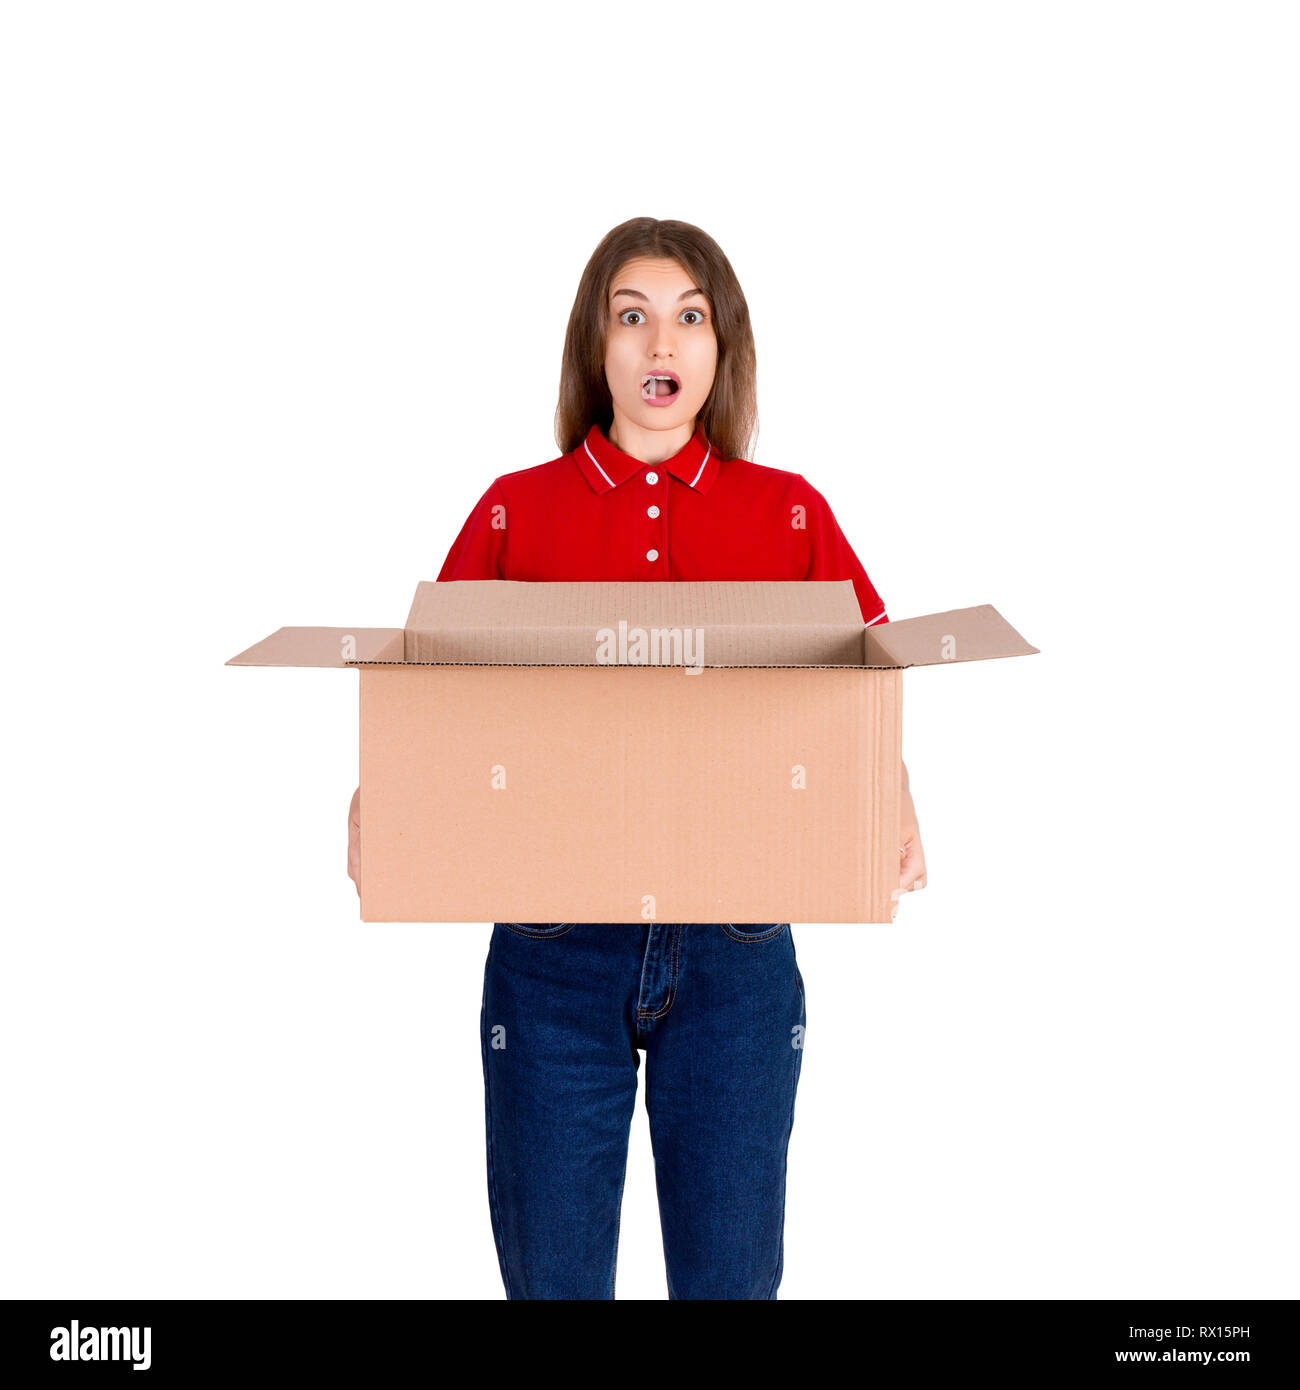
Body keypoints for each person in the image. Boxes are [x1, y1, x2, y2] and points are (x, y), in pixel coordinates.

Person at [348, 217, 926, 1299]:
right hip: (553, 942)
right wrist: (376, 797)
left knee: (731, 1283)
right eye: (632, 317)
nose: (661, 343)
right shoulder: (517, 510)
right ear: (596, 345)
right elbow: (433, 691)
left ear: (721, 345)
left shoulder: (788, 511)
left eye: (689, 317)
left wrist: (892, 794)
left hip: (738, 942)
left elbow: (863, 674)